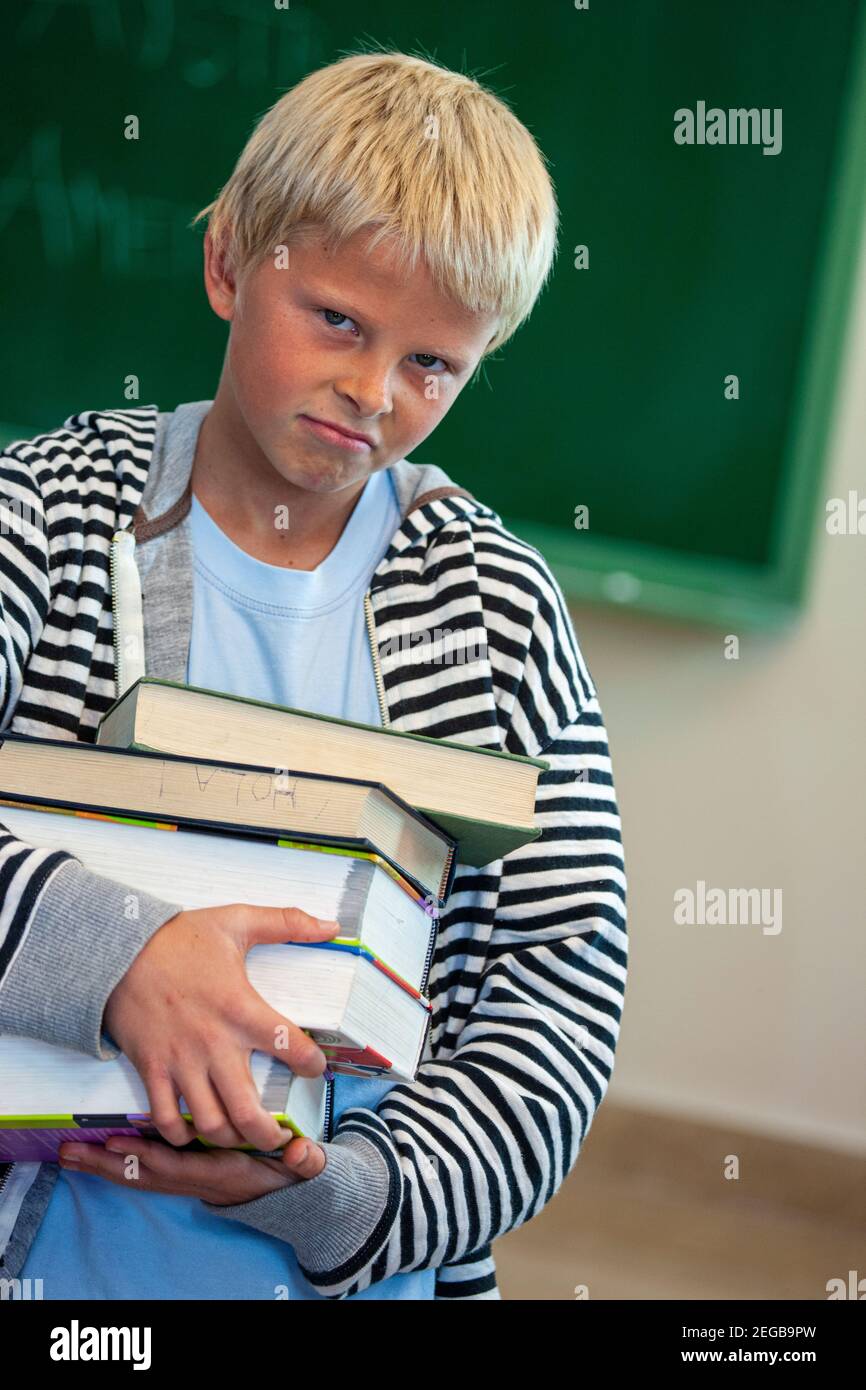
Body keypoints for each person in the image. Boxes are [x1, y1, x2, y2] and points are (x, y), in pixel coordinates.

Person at [0, 50, 627, 1300]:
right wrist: (120, 953)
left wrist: (346, 1196)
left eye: (430, 365)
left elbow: (560, 987)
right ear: (230, 263)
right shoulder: (43, 520)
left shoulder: (495, 606)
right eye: (337, 320)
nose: (370, 392)